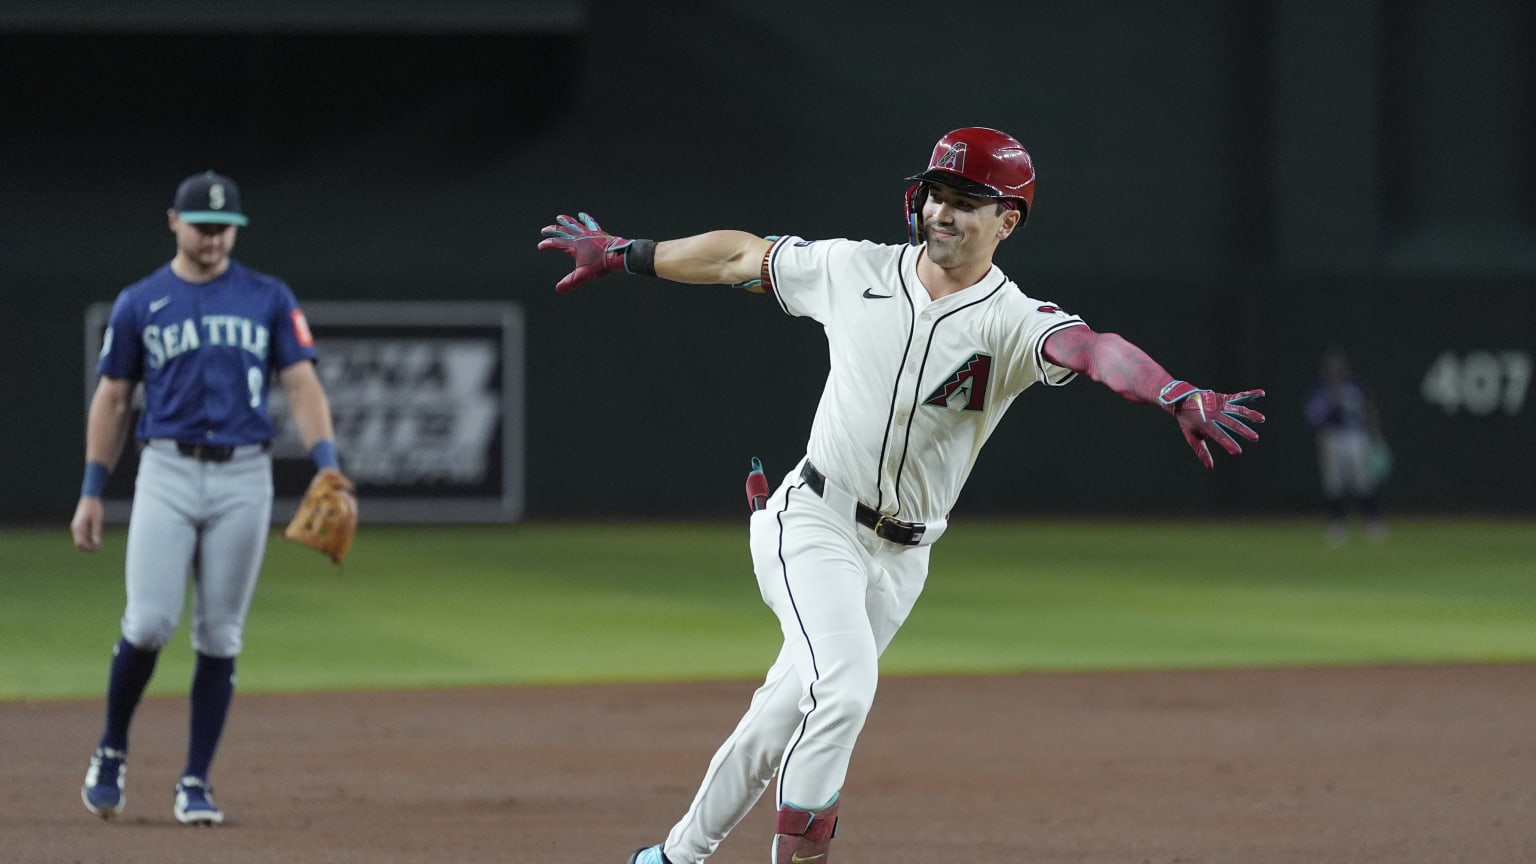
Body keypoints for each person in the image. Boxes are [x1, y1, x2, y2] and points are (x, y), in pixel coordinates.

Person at [537, 127, 1266, 864]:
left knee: (780, 719)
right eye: (938, 196)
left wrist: (1171, 391)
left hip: (902, 559)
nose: (943, 213)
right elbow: (737, 256)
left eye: (967, 202)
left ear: (1007, 222)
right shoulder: (852, 268)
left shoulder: (1011, 320)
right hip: (813, 520)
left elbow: (1095, 350)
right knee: (846, 690)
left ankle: (671, 858)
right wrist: (628, 252)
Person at [70, 170, 344, 825]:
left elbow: (302, 384)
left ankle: (195, 780)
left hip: (244, 477)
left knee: (221, 636)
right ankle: (111, 748)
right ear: (174, 222)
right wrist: (90, 492)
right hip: (165, 470)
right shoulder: (141, 301)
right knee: (149, 623)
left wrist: (327, 465)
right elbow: (112, 398)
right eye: (204, 225)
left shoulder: (267, 296)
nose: (216, 237)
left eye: (226, 227)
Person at [1305, 345, 1387, 542]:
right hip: (1332, 437)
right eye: (1332, 368)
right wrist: (1330, 400)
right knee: (1333, 482)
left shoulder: (1355, 386)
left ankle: (1372, 521)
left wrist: (1374, 435)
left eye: (1338, 368)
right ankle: (1337, 523)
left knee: (1362, 480)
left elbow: (1368, 409)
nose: (1335, 371)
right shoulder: (1322, 390)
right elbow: (1313, 416)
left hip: (1356, 436)